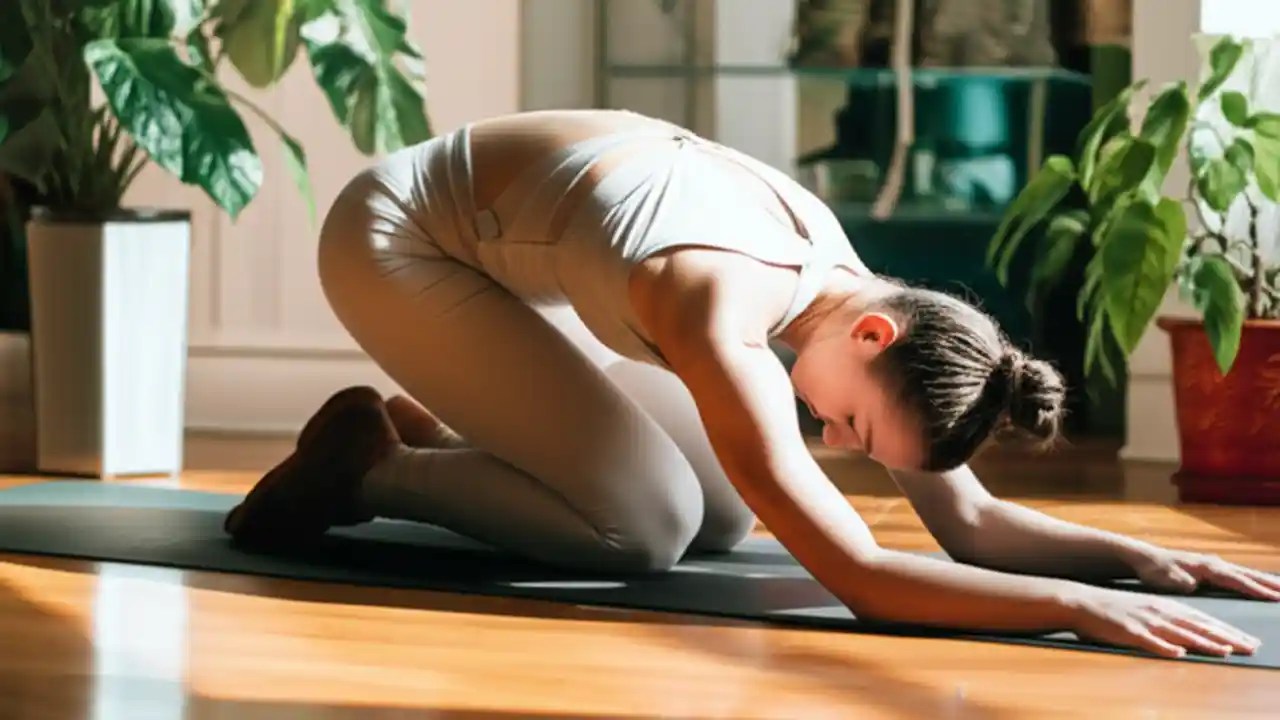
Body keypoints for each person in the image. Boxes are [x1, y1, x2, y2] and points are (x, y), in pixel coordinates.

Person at [225, 109, 1276, 659]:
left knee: (722, 520)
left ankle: (452, 449)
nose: (846, 445)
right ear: (875, 334)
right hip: (393, 241)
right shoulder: (716, 305)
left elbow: (969, 525)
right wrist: (1069, 608)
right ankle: (372, 465)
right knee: (637, 530)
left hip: (504, 252)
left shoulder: (846, 290)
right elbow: (860, 578)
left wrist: (1137, 558)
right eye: (861, 424)